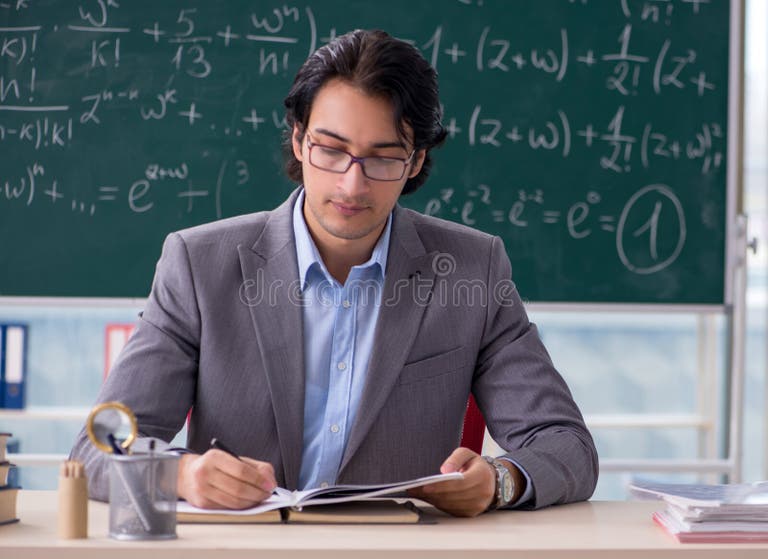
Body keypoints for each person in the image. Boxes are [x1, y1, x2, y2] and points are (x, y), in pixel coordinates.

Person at [71, 29, 598, 517]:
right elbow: (96, 453)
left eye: (383, 158)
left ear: (415, 163)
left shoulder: (472, 270)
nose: (352, 185)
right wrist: (180, 475)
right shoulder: (197, 264)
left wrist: (499, 481)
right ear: (299, 141)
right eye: (331, 150)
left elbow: (566, 445)